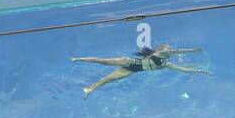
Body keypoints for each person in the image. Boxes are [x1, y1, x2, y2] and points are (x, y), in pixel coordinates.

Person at [72, 44, 211, 97]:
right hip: (129, 62)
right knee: (101, 61)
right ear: (162, 50)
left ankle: (89, 89)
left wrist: (200, 72)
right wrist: (192, 50)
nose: (169, 50)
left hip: (132, 70)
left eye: (168, 49)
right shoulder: (159, 55)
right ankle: (79, 58)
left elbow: (183, 69)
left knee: (106, 80)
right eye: (167, 48)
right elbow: (177, 51)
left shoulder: (166, 64)